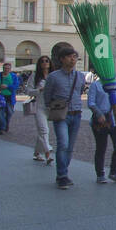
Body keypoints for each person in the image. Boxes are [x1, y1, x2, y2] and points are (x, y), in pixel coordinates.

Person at [42, 43, 88, 189]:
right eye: (69, 57)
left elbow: (80, 91)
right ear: (62, 59)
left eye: (75, 57)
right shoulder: (53, 77)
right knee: (63, 144)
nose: (72, 60)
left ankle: (63, 173)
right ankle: (62, 175)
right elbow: (47, 96)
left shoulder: (80, 76)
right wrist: (54, 107)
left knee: (70, 147)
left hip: (76, 114)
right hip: (61, 115)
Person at [88, 70, 116, 184]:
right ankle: (100, 174)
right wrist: (98, 113)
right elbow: (91, 102)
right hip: (102, 121)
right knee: (101, 147)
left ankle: (114, 172)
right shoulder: (95, 85)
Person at [28, 55, 55, 163]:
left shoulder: (53, 75)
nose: (45, 63)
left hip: (52, 106)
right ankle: (48, 154)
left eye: (47, 61)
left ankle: (37, 152)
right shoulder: (35, 76)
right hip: (39, 106)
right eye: (42, 61)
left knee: (42, 132)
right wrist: (39, 90)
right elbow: (28, 91)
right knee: (44, 130)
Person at [0, 62, 20, 135]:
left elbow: (16, 86)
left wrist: (7, 87)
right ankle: (2, 128)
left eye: (8, 68)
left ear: (10, 69)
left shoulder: (13, 76)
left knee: (9, 113)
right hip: (0, 97)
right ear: (3, 69)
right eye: (5, 68)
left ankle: (6, 125)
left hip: (10, 98)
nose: (6, 70)